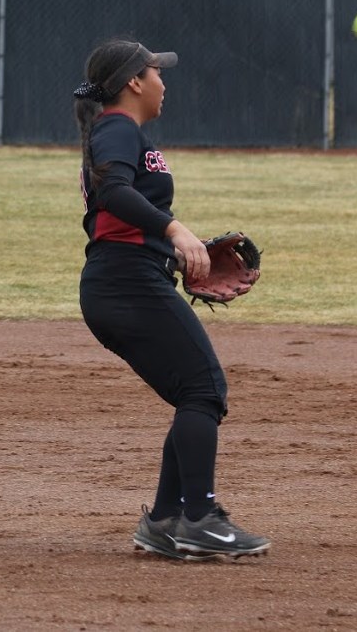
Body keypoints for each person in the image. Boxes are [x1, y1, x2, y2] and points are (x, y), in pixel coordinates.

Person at [72, 37, 270, 561]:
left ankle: (164, 520)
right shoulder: (116, 127)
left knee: (194, 391)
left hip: (131, 278)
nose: (163, 80)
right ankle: (200, 519)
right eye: (156, 71)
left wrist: (177, 251)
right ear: (134, 83)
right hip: (126, 283)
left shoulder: (125, 132)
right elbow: (114, 192)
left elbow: (119, 213)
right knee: (204, 389)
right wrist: (176, 230)